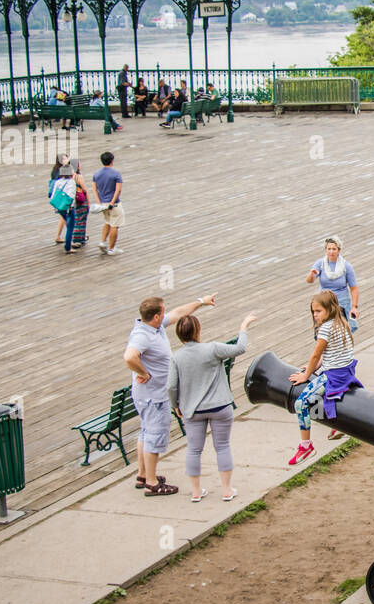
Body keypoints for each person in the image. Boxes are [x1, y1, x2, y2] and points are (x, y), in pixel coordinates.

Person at [123, 292, 218, 496]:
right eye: (163, 312)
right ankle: (152, 482)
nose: (166, 314)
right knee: (154, 437)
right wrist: (143, 372)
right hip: (153, 396)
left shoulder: (153, 327)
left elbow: (178, 313)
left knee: (146, 432)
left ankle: (142, 474)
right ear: (156, 316)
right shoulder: (143, 335)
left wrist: (201, 302)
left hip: (149, 395)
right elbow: (129, 356)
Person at [168, 309, 257, 501]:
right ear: (198, 331)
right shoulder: (212, 349)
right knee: (222, 446)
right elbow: (240, 348)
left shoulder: (176, 357)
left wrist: (175, 404)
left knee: (194, 449)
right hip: (219, 406)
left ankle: (196, 492)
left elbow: (171, 385)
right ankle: (226, 490)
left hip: (192, 409)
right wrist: (244, 326)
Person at [287, 291, 363, 465]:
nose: (315, 315)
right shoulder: (341, 322)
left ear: (329, 309)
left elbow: (315, 355)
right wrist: (316, 367)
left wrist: (305, 375)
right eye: (313, 311)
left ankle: (306, 446)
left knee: (300, 403)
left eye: (318, 311)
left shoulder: (325, 329)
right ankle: (338, 426)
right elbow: (328, 353)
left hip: (334, 375)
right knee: (327, 397)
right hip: (346, 372)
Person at [306, 235, 359, 333]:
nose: (331, 252)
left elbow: (354, 288)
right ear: (325, 250)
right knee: (322, 331)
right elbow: (309, 280)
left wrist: (354, 307)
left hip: (341, 303)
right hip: (324, 302)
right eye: (329, 249)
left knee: (340, 331)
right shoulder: (320, 264)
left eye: (334, 249)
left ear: (339, 250)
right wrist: (312, 274)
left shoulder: (346, 266)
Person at [93, 150, 125, 255]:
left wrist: (99, 203)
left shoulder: (97, 174)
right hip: (114, 204)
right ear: (112, 161)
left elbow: (94, 189)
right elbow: (118, 190)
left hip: (103, 203)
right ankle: (112, 248)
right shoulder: (116, 174)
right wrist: (112, 201)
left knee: (107, 222)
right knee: (115, 225)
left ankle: (103, 242)